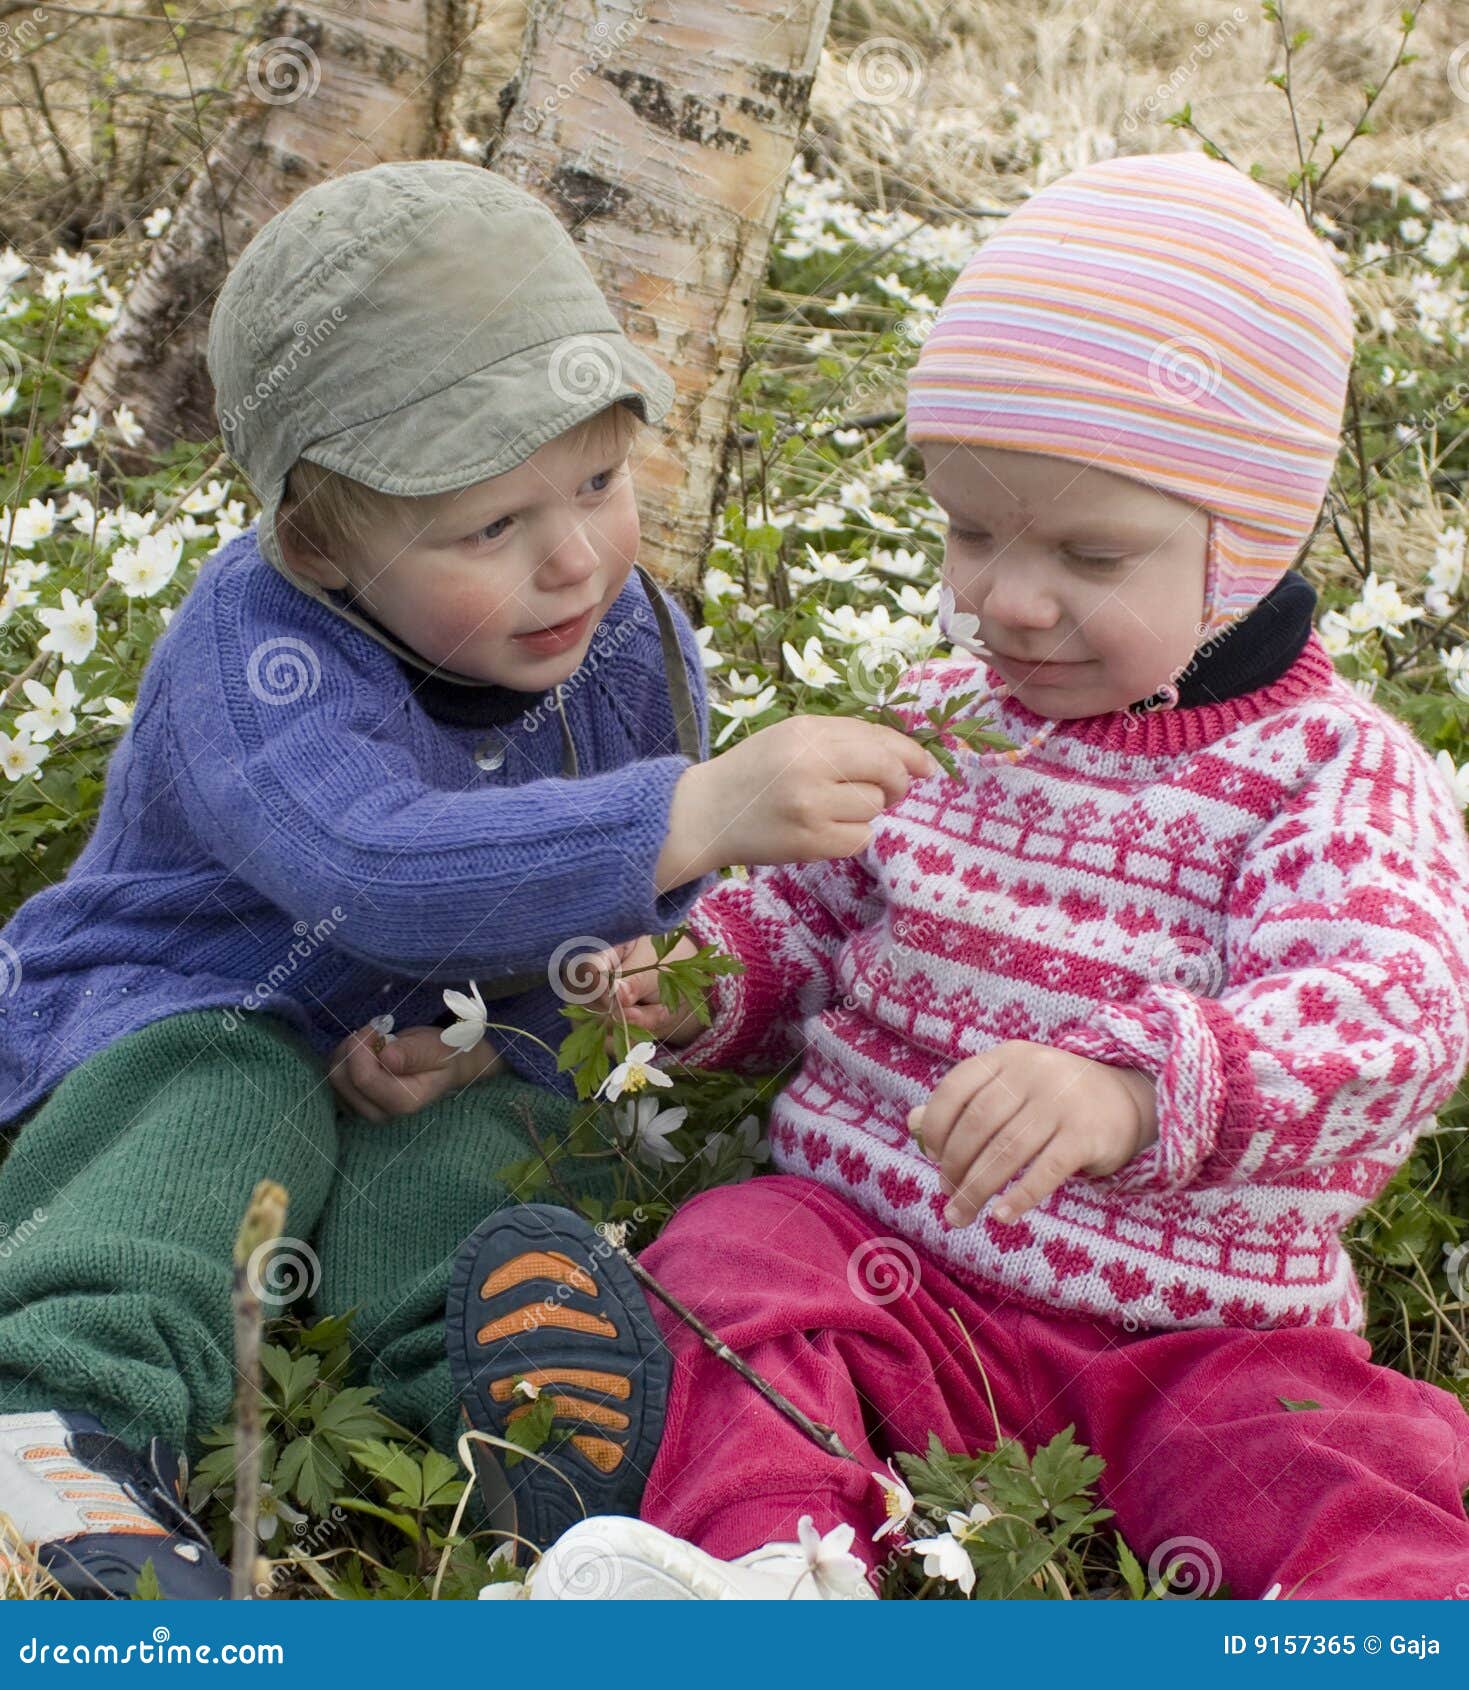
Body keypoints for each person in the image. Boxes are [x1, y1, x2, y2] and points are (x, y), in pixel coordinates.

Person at [456, 152, 1469, 1602]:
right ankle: (764, 1569)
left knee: (1318, 1463)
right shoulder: (947, 711)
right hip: (881, 1268)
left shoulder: (1330, 772)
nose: (1005, 595)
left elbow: (1386, 1015)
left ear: (1244, 548)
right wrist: (702, 975)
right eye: (969, 531)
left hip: (1193, 1333)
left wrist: (1130, 1090)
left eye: (1085, 551)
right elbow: (822, 910)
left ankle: (1387, 1623)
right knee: (732, 1260)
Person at [0, 161, 933, 1599]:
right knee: (222, 1099)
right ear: (320, 545)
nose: (574, 560)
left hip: (437, 1053)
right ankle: (57, 1427)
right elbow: (366, 866)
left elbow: (627, 934)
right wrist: (693, 808)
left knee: (492, 1155)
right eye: (490, 528)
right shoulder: (254, 650)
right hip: (190, 1002)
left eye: (601, 484)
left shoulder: (623, 642)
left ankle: (526, 1452)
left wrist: (524, 1027)